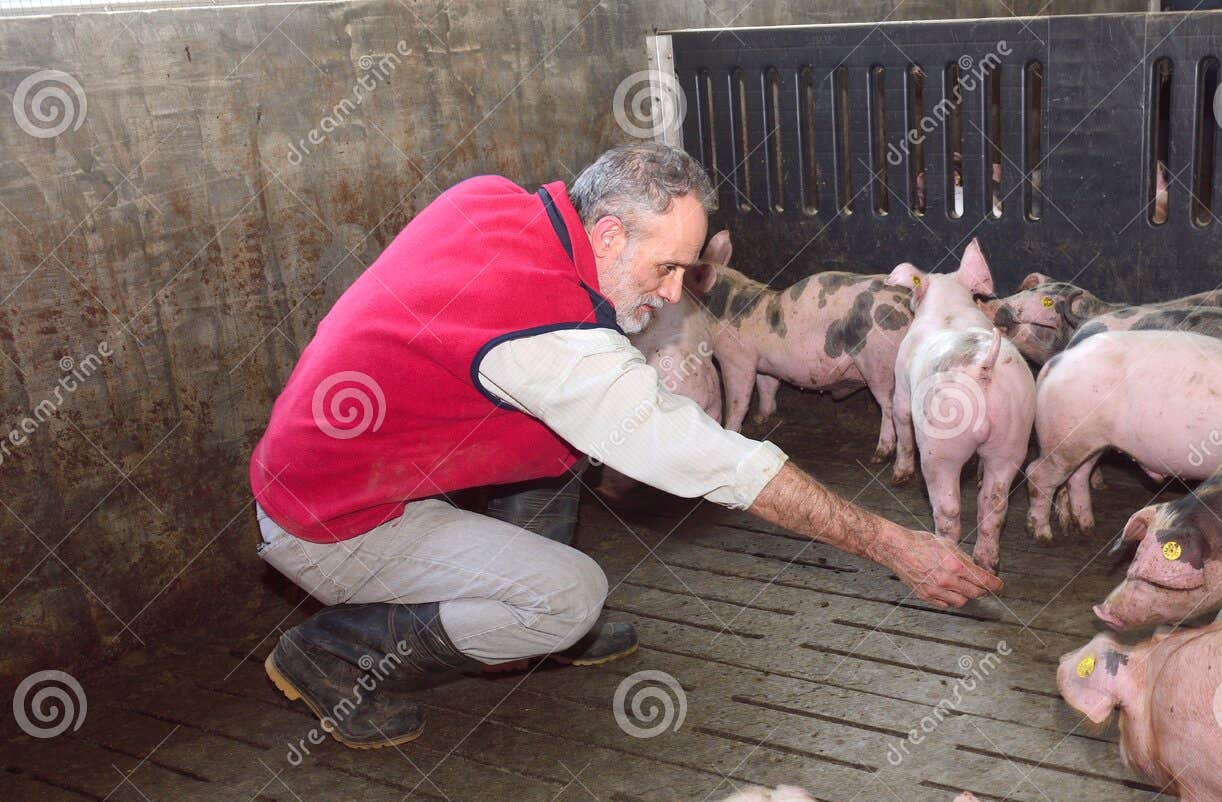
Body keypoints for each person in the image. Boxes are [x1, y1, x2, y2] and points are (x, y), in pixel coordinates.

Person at [249, 142, 1000, 750]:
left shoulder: (491, 198)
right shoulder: (551, 341)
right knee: (569, 597)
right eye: (666, 268)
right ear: (606, 234)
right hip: (333, 519)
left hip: (346, 458)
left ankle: (511, 597)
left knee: (561, 437)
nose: (677, 294)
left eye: (688, 269)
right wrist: (893, 545)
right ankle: (338, 650)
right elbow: (719, 462)